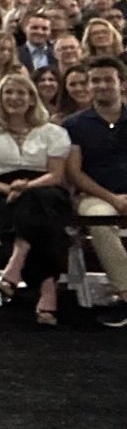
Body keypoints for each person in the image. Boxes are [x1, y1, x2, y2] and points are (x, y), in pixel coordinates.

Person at [0, 72, 76, 327]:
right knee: (45, 223)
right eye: (8, 93)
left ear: (31, 99)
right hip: (4, 192)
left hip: (46, 188)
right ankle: (48, 293)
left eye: (21, 93)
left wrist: (26, 186)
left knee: (39, 201)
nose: (14, 98)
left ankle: (16, 262)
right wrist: (8, 189)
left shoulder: (52, 132)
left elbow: (56, 174)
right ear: (0, 98)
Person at [64, 55, 127, 327]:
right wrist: (112, 198)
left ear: (121, 83)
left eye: (107, 80)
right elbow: (75, 173)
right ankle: (126, 294)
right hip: (95, 197)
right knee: (100, 221)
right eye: (95, 80)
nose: (101, 85)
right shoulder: (75, 125)